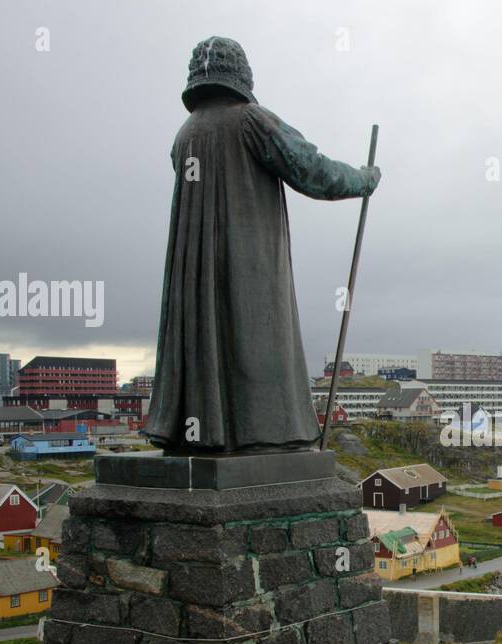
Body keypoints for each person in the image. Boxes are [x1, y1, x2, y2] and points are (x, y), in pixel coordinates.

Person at [144, 36, 382, 454]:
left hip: (195, 272)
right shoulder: (249, 120)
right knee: (255, 337)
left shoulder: (185, 136)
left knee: (207, 339)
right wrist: (364, 180)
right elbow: (311, 169)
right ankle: (263, 436)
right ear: (240, 74)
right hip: (246, 259)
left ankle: (206, 436)